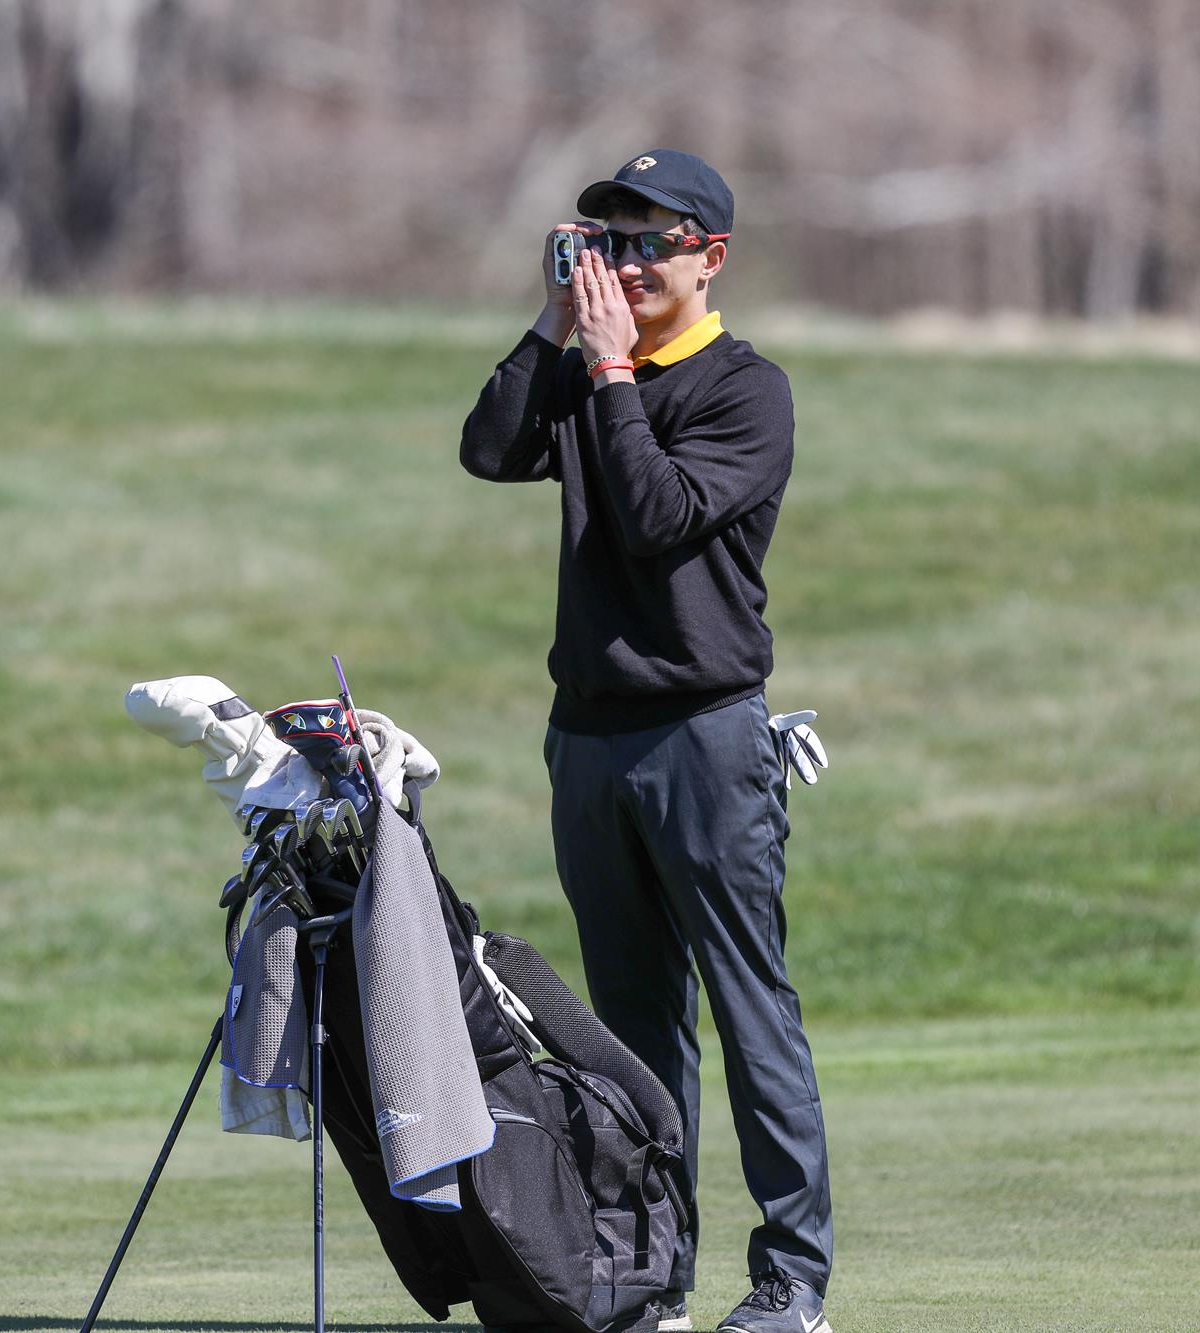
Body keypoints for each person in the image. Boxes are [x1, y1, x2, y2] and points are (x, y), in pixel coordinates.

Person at [459, 150, 833, 1333]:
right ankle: (647, 1274)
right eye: (604, 241)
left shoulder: (744, 390)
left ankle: (790, 1280)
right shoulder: (582, 375)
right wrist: (549, 326)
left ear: (708, 257)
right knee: (628, 1034)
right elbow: (487, 448)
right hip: (589, 737)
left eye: (648, 243)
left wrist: (611, 366)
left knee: (748, 1005)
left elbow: (661, 512)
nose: (623, 263)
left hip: (704, 735)